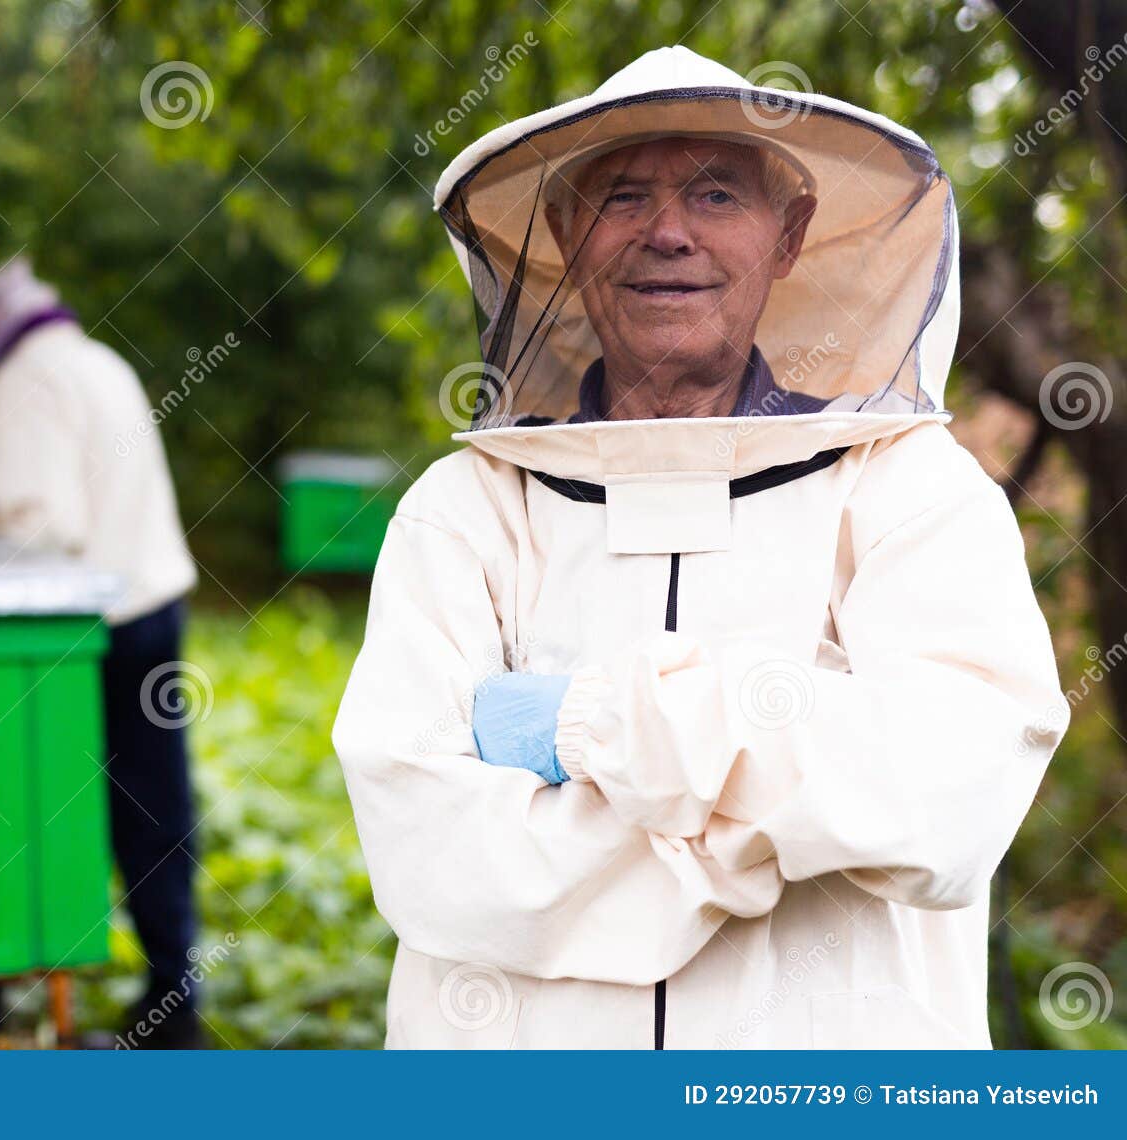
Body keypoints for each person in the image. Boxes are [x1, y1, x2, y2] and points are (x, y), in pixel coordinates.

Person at [332, 46, 1069, 1049]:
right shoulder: (463, 512)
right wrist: (785, 829)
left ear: (788, 234)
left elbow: (940, 805)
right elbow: (438, 863)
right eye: (622, 198)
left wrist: (596, 728)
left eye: (716, 194)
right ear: (563, 232)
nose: (667, 233)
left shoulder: (911, 490)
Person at [0, 257, 202, 1048]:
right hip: (155, 603)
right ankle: (175, 999)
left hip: (80, 634)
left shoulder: (15, 394)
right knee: (155, 807)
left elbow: (45, 534)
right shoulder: (92, 359)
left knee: (18, 805)